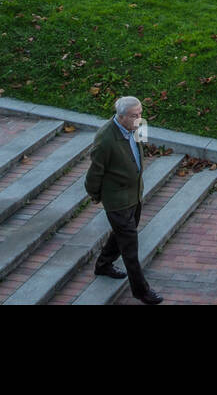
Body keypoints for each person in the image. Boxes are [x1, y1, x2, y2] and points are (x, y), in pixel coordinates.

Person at [85, 96, 162, 305]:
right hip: (117, 200)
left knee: (123, 233)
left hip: (134, 194)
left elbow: (138, 148)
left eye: (141, 113)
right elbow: (94, 173)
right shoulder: (105, 139)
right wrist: (95, 194)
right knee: (130, 246)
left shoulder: (135, 126)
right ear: (121, 116)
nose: (140, 118)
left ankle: (103, 264)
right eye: (135, 115)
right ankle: (141, 291)